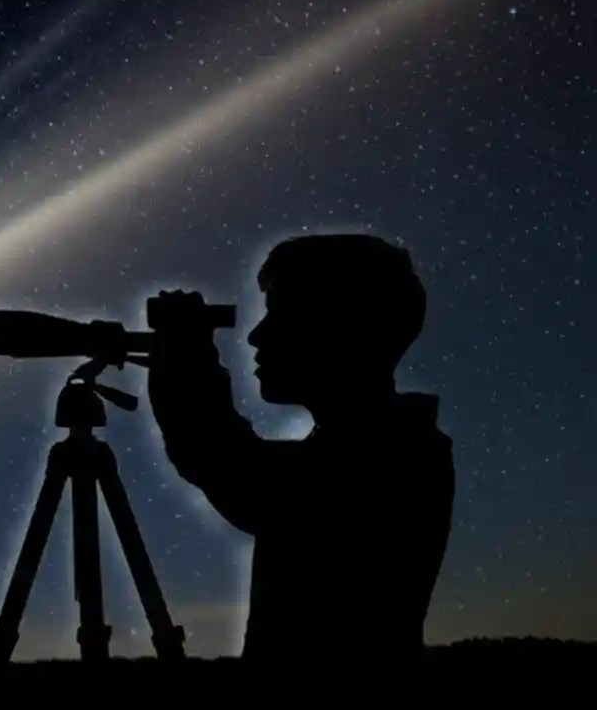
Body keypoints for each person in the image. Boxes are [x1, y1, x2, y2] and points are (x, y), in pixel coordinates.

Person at [146, 233, 455, 672]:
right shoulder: (385, 445)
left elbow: (239, 473)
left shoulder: (391, 459)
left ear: (338, 327)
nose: (256, 336)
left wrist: (185, 363)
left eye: (279, 314)